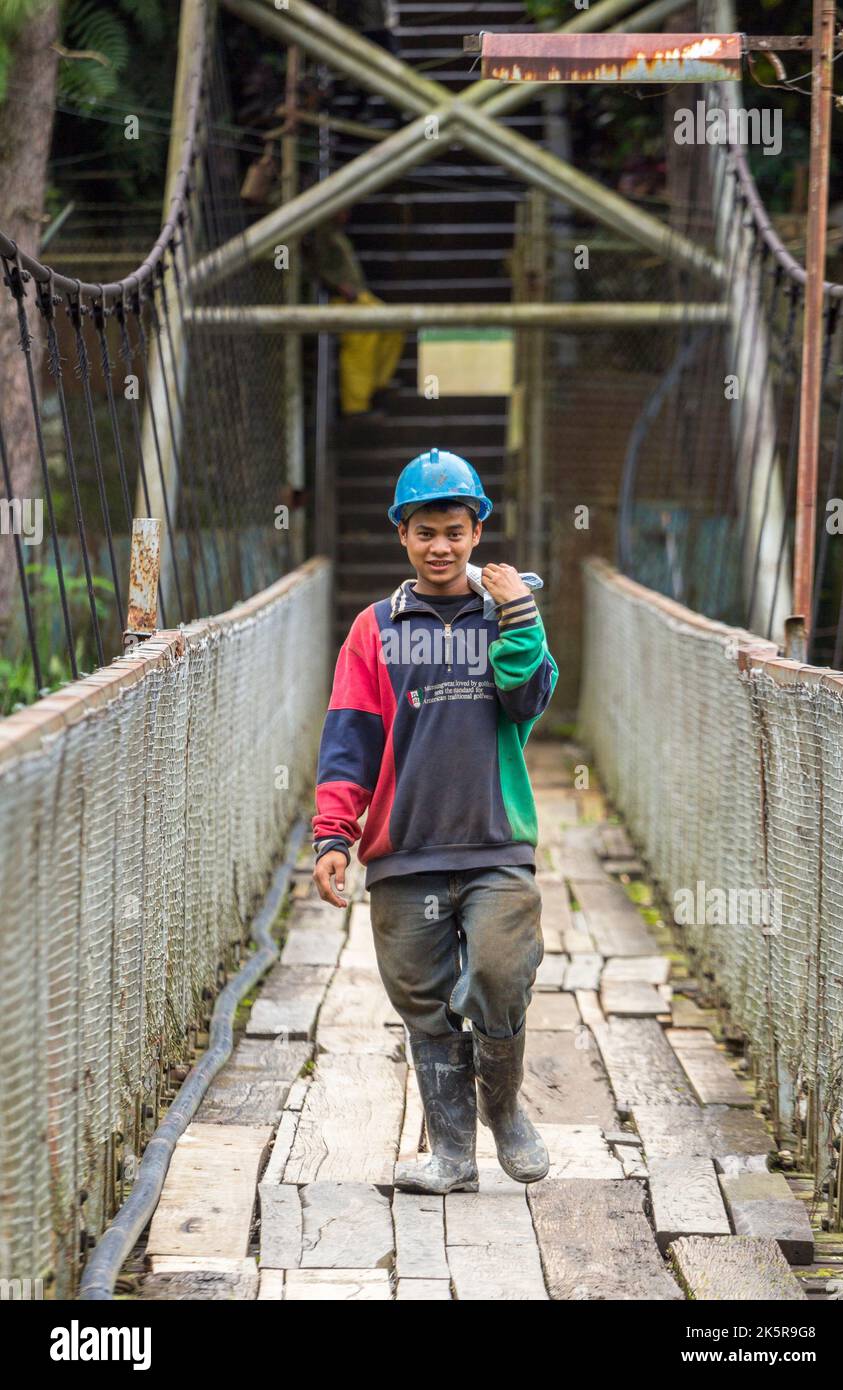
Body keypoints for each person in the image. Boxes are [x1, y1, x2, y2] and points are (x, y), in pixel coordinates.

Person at [311, 449, 559, 1194]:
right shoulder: (374, 629)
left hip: (495, 841)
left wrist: (520, 616)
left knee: (498, 970)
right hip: (402, 850)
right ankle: (452, 1156)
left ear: (477, 530)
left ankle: (505, 1111)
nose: (441, 546)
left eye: (455, 529)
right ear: (403, 536)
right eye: (425, 531)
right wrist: (332, 834)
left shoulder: (505, 615)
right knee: (422, 1000)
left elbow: (530, 699)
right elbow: (349, 736)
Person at [311, 207, 404, 418]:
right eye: (342, 208)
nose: (347, 214)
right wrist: (335, 285)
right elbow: (310, 263)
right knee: (364, 335)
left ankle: (378, 383)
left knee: (395, 324)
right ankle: (355, 406)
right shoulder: (319, 233)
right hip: (340, 299)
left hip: (358, 296)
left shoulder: (335, 233)